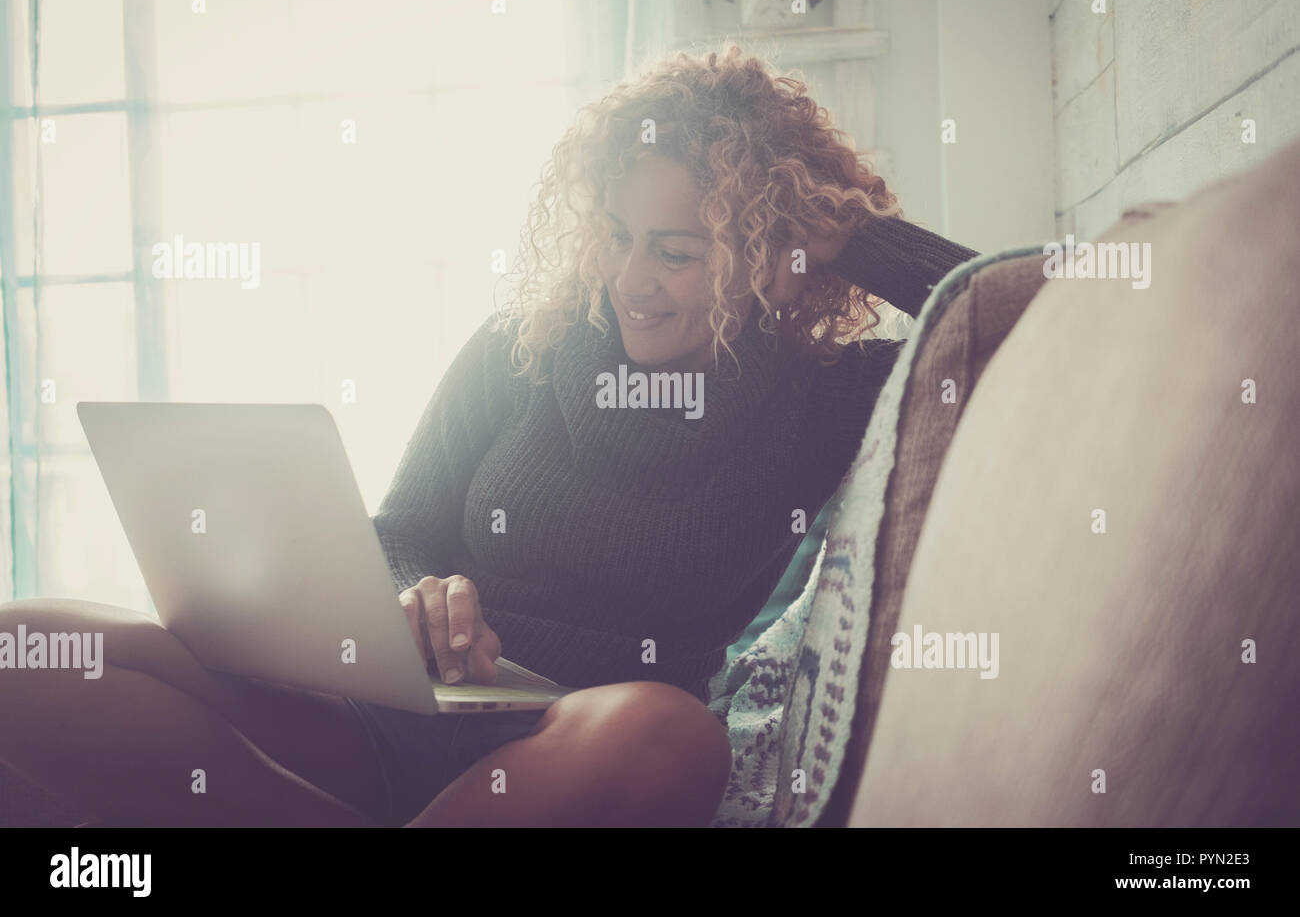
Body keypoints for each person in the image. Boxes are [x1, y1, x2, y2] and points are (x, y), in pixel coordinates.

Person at [0, 47, 977, 827]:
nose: (632, 278)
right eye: (617, 237)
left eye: (676, 252)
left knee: (672, 736)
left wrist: (840, 230)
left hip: (572, 743)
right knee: (24, 650)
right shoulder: (525, 345)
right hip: (404, 710)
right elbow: (403, 522)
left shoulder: (825, 393)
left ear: (767, 251)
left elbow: (1009, 305)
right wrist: (418, 594)